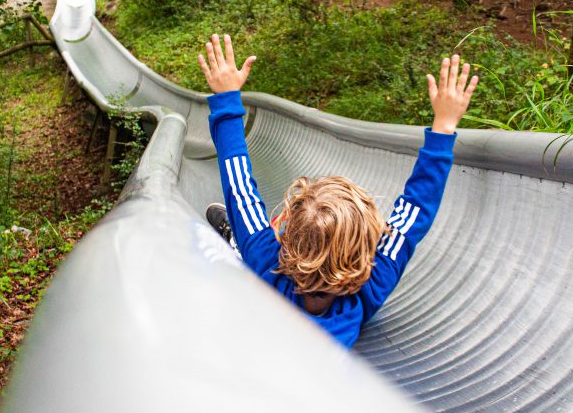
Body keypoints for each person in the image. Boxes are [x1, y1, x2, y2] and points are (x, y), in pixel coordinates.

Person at [200, 34, 477, 348]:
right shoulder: (371, 284)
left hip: (260, 312)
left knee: (247, 241)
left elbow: (240, 188)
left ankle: (236, 245)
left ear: (286, 241)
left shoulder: (267, 259)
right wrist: (444, 125)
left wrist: (226, 100)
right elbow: (414, 213)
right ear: (366, 255)